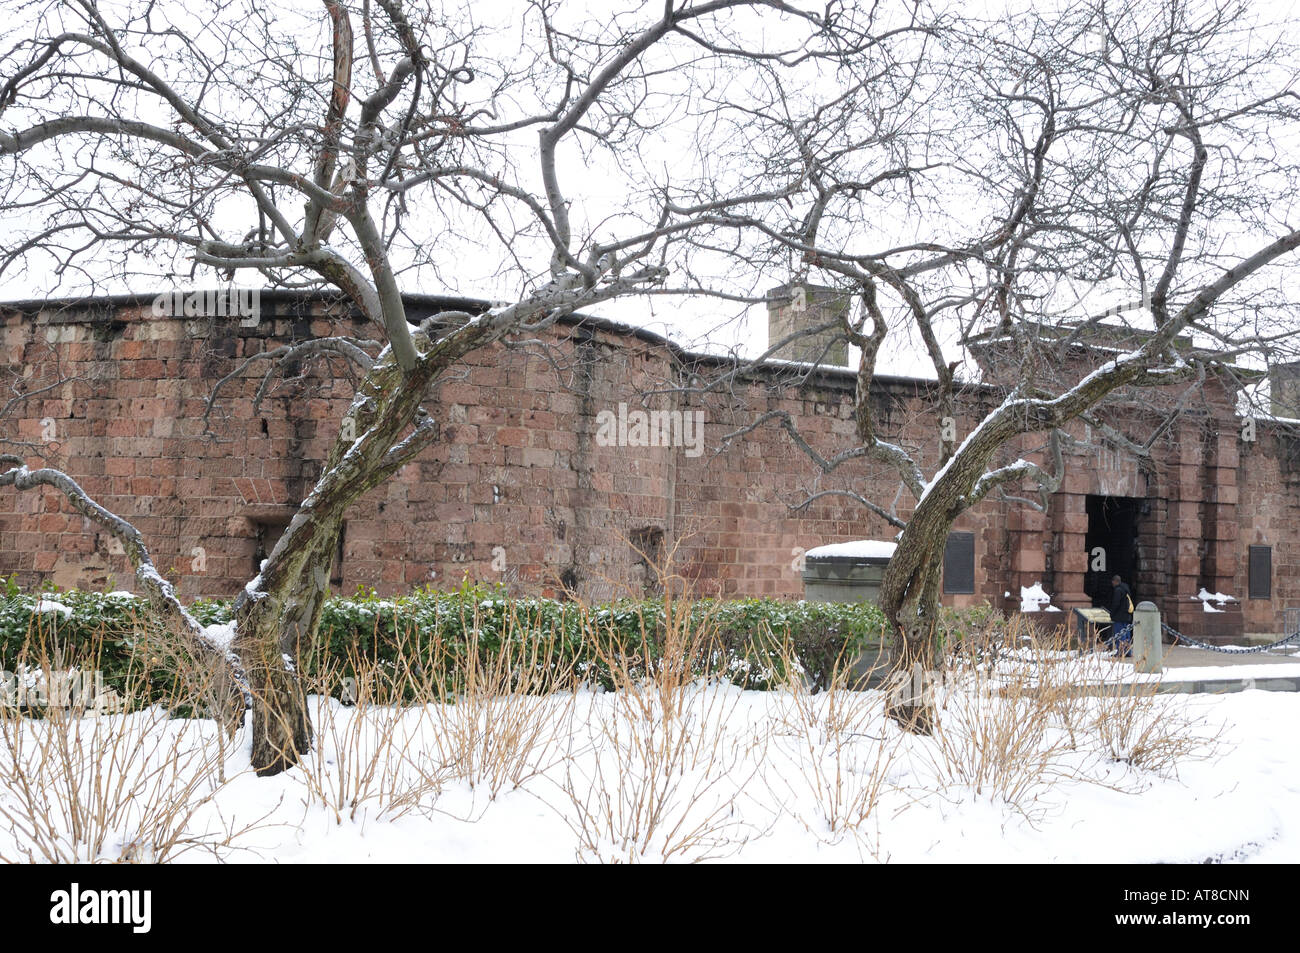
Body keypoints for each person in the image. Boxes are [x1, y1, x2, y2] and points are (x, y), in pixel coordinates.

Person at [1108, 574, 1134, 657]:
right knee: (1126, 633)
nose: (1112, 583)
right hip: (1127, 615)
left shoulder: (1118, 590)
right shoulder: (1126, 589)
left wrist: (1112, 614)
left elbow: (1116, 603)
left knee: (1120, 633)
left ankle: (1121, 651)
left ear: (1115, 581)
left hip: (1119, 616)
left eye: (1113, 581)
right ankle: (1128, 651)